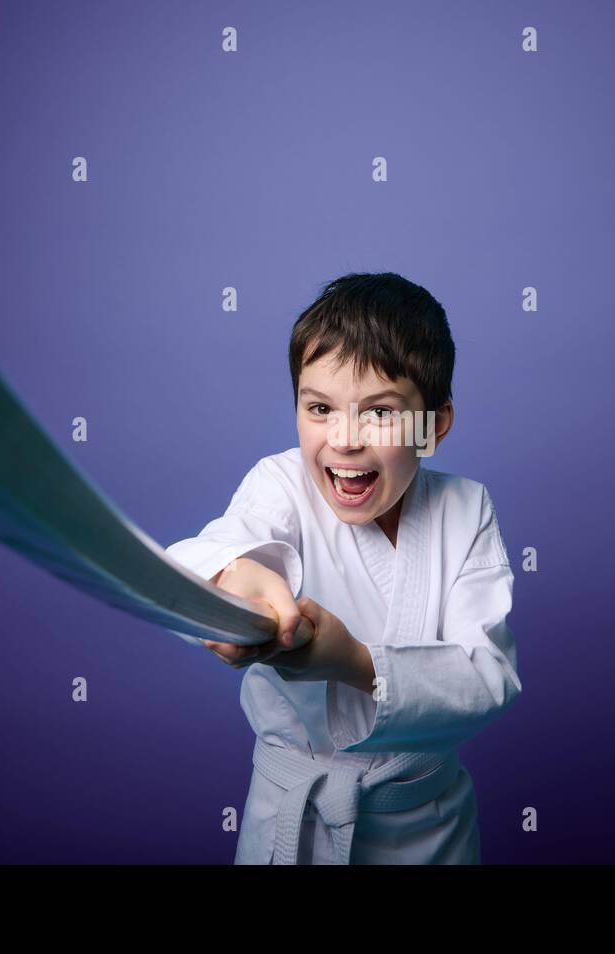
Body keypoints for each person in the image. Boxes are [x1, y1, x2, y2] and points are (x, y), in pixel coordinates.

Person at [164, 272, 521, 864]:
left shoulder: (466, 510)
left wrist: (352, 662)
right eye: (320, 407)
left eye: (380, 412)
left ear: (433, 425)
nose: (344, 439)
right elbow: (210, 554)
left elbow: (488, 677)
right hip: (294, 817)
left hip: (427, 827)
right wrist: (236, 583)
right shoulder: (279, 486)